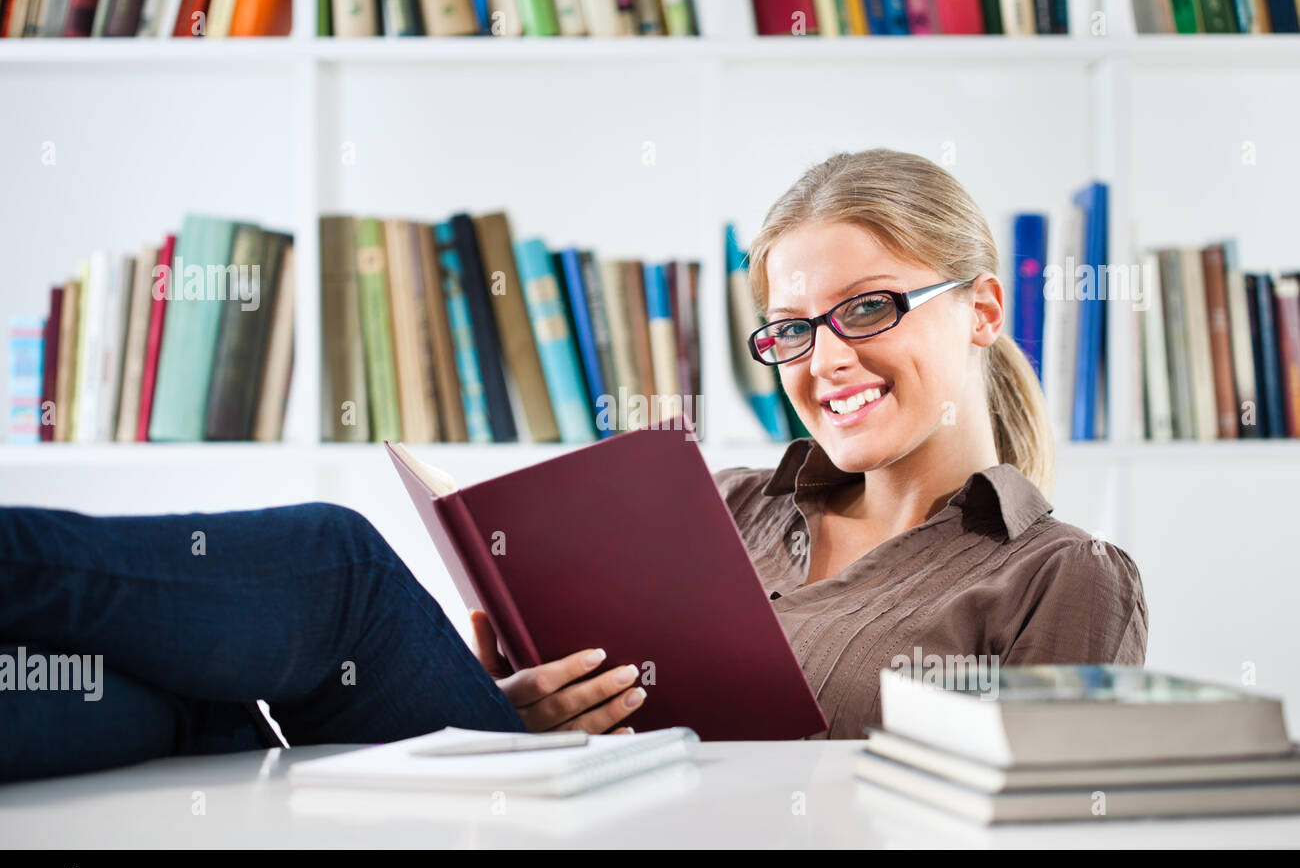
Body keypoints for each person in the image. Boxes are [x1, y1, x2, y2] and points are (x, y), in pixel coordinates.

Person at [0, 148, 1146, 781]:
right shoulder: (729, 502)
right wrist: (518, 711)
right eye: (790, 329)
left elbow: (1045, 835)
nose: (823, 357)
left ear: (984, 307)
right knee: (174, 717)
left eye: (868, 309)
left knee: (335, 564)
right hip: (555, 797)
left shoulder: (1062, 573)